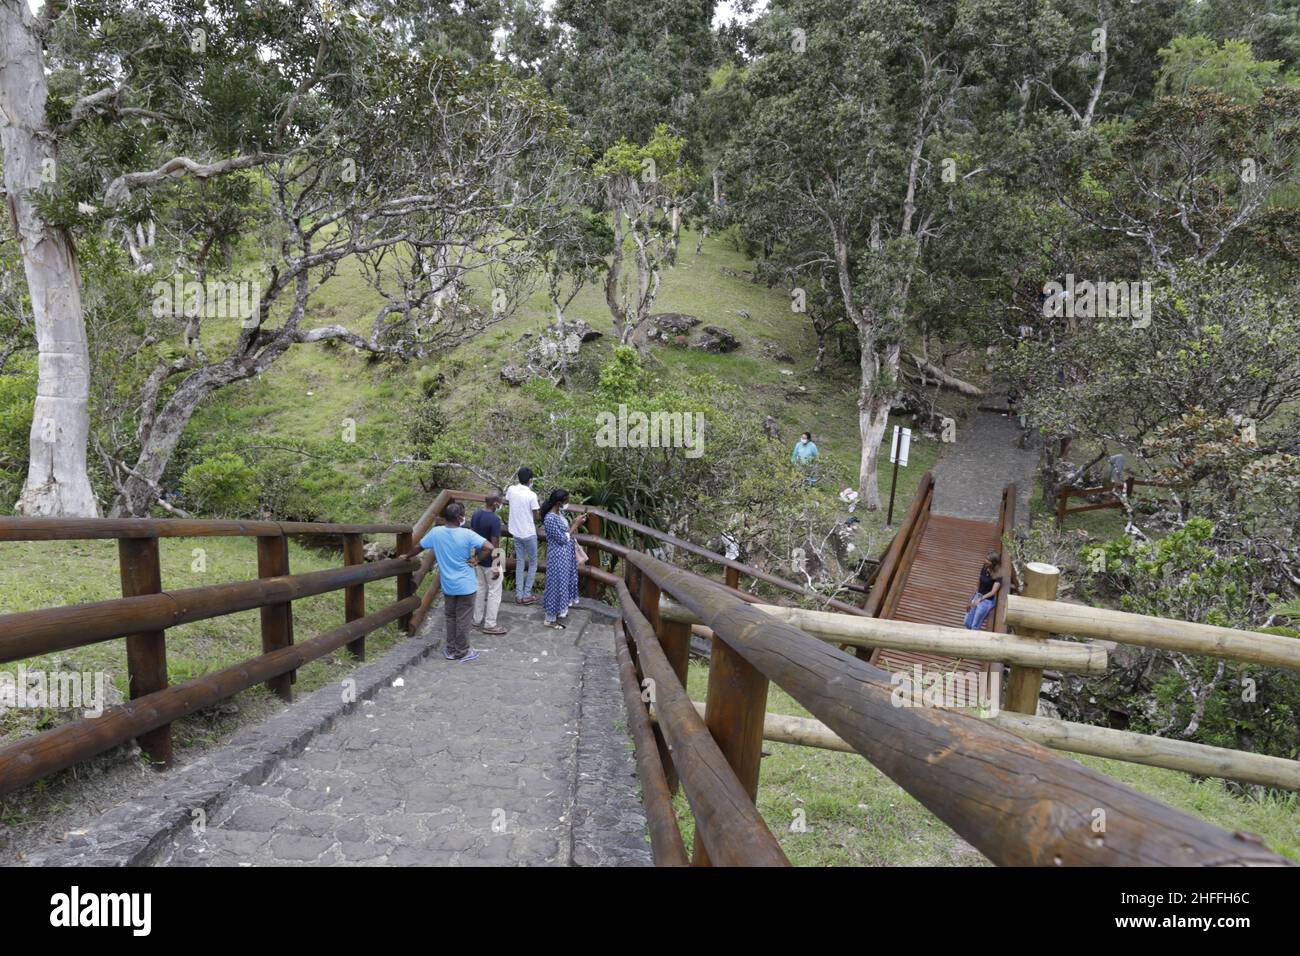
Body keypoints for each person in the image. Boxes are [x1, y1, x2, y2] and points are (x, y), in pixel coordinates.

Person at [419, 502, 494, 661]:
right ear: (459, 517)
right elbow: (489, 547)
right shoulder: (467, 534)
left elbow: (419, 547)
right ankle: (463, 651)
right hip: (466, 585)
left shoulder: (436, 533)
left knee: (451, 617)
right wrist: (476, 559)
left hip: (448, 585)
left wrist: (406, 556)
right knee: (463, 619)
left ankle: (451, 649)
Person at [539, 488, 586, 629]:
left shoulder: (560, 513)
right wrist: (575, 524)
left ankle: (559, 611)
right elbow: (561, 538)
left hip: (565, 555)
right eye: (566, 501)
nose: (568, 503)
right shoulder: (550, 519)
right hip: (557, 556)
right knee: (555, 584)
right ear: (559, 502)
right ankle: (549, 618)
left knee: (563, 583)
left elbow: (567, 533)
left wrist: (576, 524)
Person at [469, 494, 508, 636]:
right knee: (494, 592)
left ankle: (476, 619)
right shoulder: (495, 520)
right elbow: (494, 544)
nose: (501, 503)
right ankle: (490, 624)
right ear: (496, 503)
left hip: (478, 557)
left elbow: (473, 536)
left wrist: (475, 557)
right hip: (491, 558)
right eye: (501, 501)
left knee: (480, 589)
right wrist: (497, 564)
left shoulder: (476, 514)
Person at [505, 467, 541, 605]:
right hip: (528, 533)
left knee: (520, 562)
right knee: (533, 563)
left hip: (515, 531)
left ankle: (519, 595)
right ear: (530, 480)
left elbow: (508, 500)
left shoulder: (511, 490)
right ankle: (527, 594)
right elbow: (536, 516)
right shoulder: (531, 495)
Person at [964, 551, 1002, 631]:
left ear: (993, 563)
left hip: (987, 600)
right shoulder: (985, 567)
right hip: (978, 595)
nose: (985, 560)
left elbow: (993, 592)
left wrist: (980, 599)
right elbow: (978, 583)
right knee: (967, 622)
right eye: (986, 558)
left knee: (974, 626)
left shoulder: (998, 575)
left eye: (988, 560)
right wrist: (971, 599)